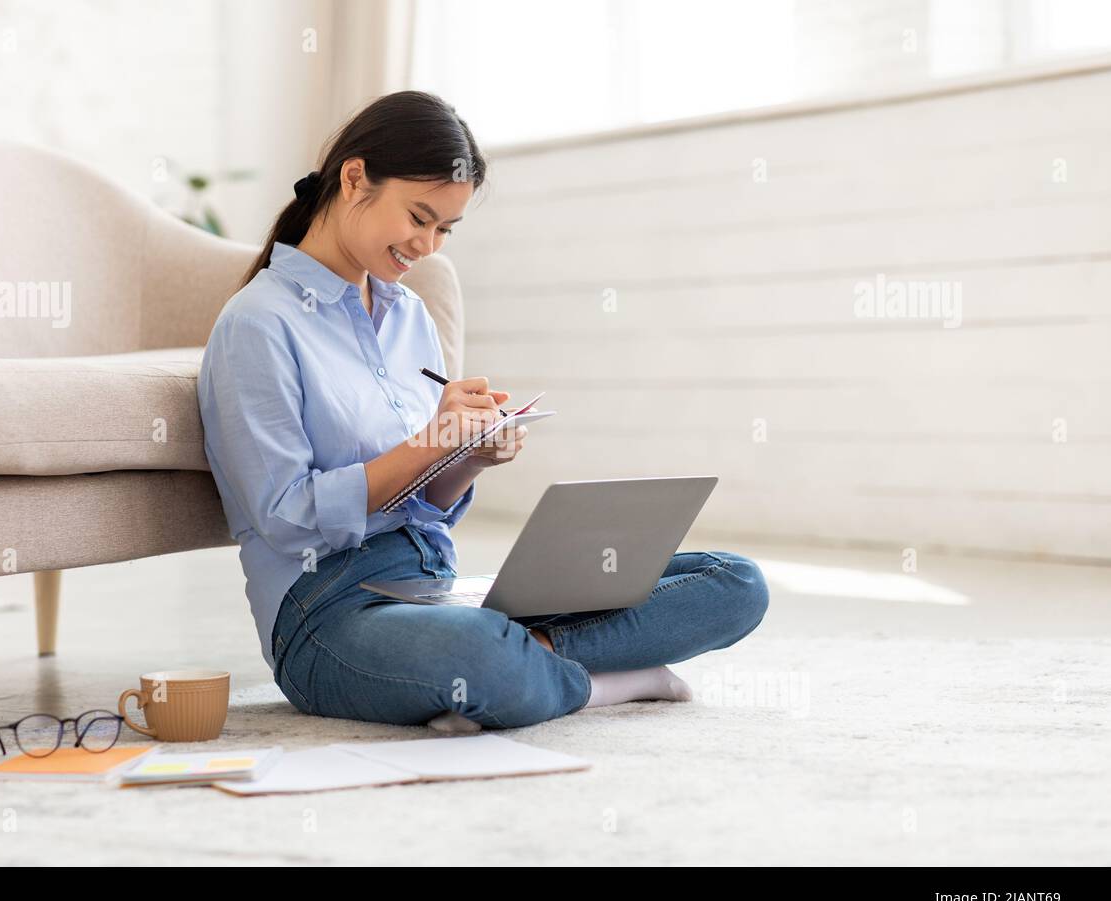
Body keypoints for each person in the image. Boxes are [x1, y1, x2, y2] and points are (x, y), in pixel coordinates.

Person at [197, 90, 769, 731]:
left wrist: (467, 458)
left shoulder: (407, 315)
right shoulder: (258, 323)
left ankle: (535, 664)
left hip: (436, 584)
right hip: (328, 614)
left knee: (735, 583)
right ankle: (607, 679)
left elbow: (422, 502)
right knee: (481, 655)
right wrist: (433, 441)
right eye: (420, 217)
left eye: (444, 228)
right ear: (354, 177)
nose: (429, 245)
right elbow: (285, 517)